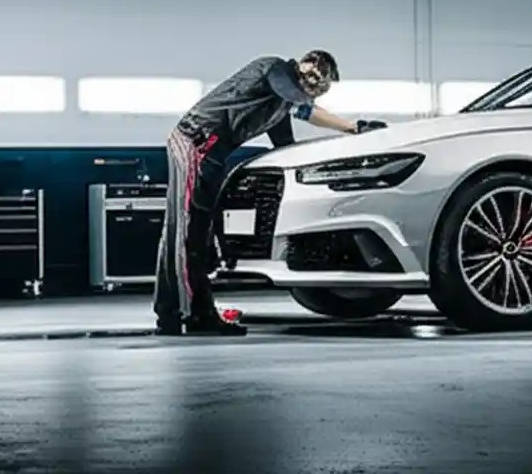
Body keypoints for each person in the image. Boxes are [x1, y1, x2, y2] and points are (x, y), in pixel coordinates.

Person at [153, 50, 381, 336]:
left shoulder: (280, 103)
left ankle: (173, 313)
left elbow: (285, 145)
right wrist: (352, 126)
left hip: (205, 149)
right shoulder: (275, 69)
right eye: (317, 82)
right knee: (189, 233)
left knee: (187, 232)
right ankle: (193, 315)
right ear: (306, 68)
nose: (317, 90)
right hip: (197, 143)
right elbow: (301, 104)